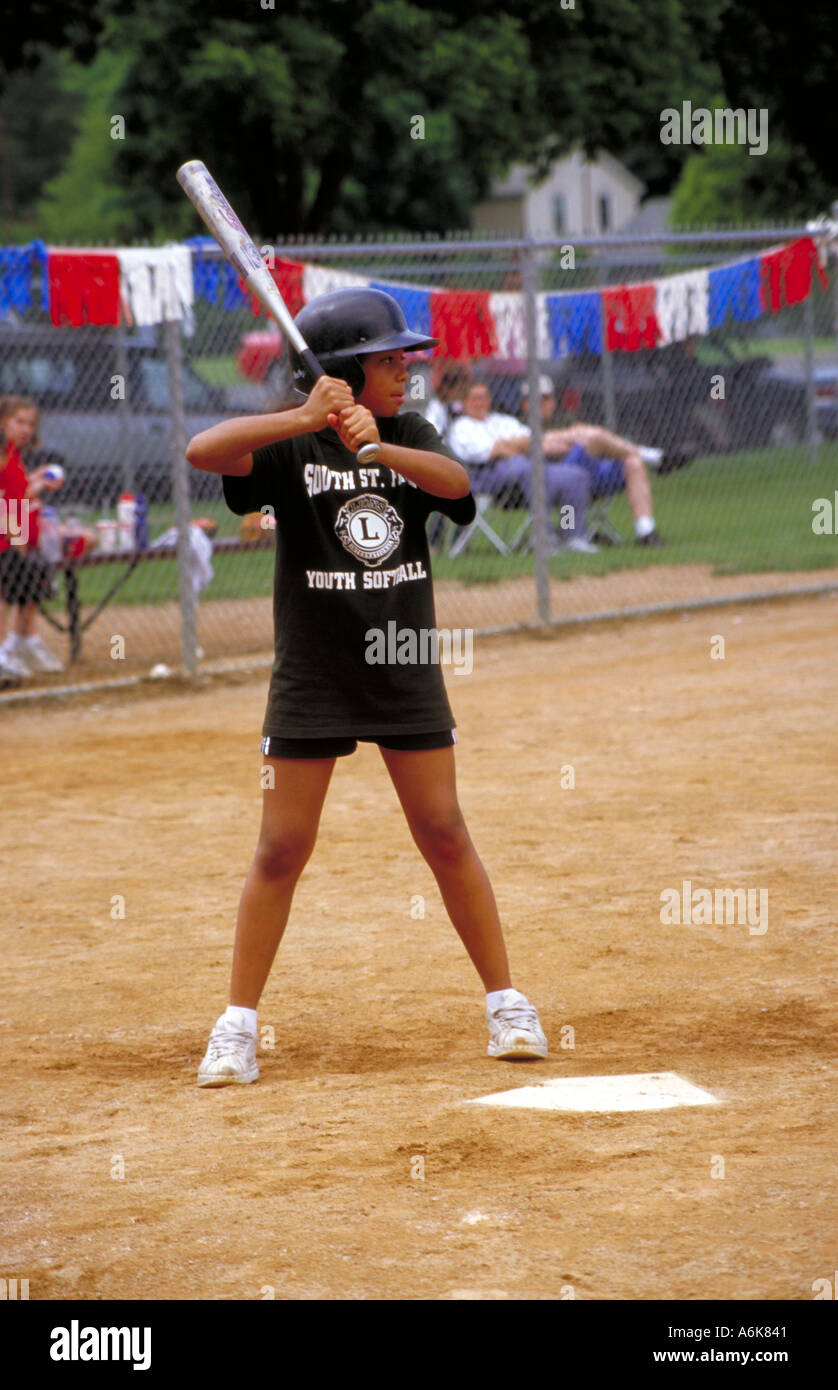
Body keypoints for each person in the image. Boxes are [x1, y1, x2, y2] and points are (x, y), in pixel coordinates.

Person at [185, 287, 548, 1086]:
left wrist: (380, 450)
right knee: (281, 846)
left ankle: (508, 1004)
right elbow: (203, 451)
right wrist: (301, 420)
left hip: (403, 662)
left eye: (405, 361)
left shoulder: (409, 432)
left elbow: (455, 486)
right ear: (342, 370)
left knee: (444, 831)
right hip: (313, 674)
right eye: (389, 362)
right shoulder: (292, 447)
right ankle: (236, 1028)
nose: (405, 373)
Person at [447, 380, 598, 553]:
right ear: (465, 402)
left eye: (483, 398)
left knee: (574, 476)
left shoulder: (502, 421)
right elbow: (488, 452)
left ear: (489, 400)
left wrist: (508, 446)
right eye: (474, 398)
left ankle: (571, 534)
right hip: (485, 476)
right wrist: (512, 446)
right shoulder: (461, 427)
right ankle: (544, 537)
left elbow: (532, 440)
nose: (479, 403)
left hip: (526, 469)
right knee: (527, 468)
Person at [519, 377, 665, 546]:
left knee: (633, 463)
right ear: (525, 404)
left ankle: (645, 531)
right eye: (535, 400)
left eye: (546, 399)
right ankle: (652, 456)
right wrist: (573, 440)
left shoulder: (564, 420)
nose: (542, 405)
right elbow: (544, 448)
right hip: (554, 481)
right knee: (584, 451)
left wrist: (570, 440)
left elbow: (581, 443)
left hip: (589, 471)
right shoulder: (519, 426)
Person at [0, 396, 65, 678]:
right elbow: (8, 501)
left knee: (18, 581)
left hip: (11, 532)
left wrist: (34, 483)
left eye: (30, 424)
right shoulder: (3, 454)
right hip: (5, 533)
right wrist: (15, 540)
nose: (26, 429)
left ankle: (17, 643)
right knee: (2, 593)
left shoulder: (12, 453)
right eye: (18, 421)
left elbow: (16, 495)